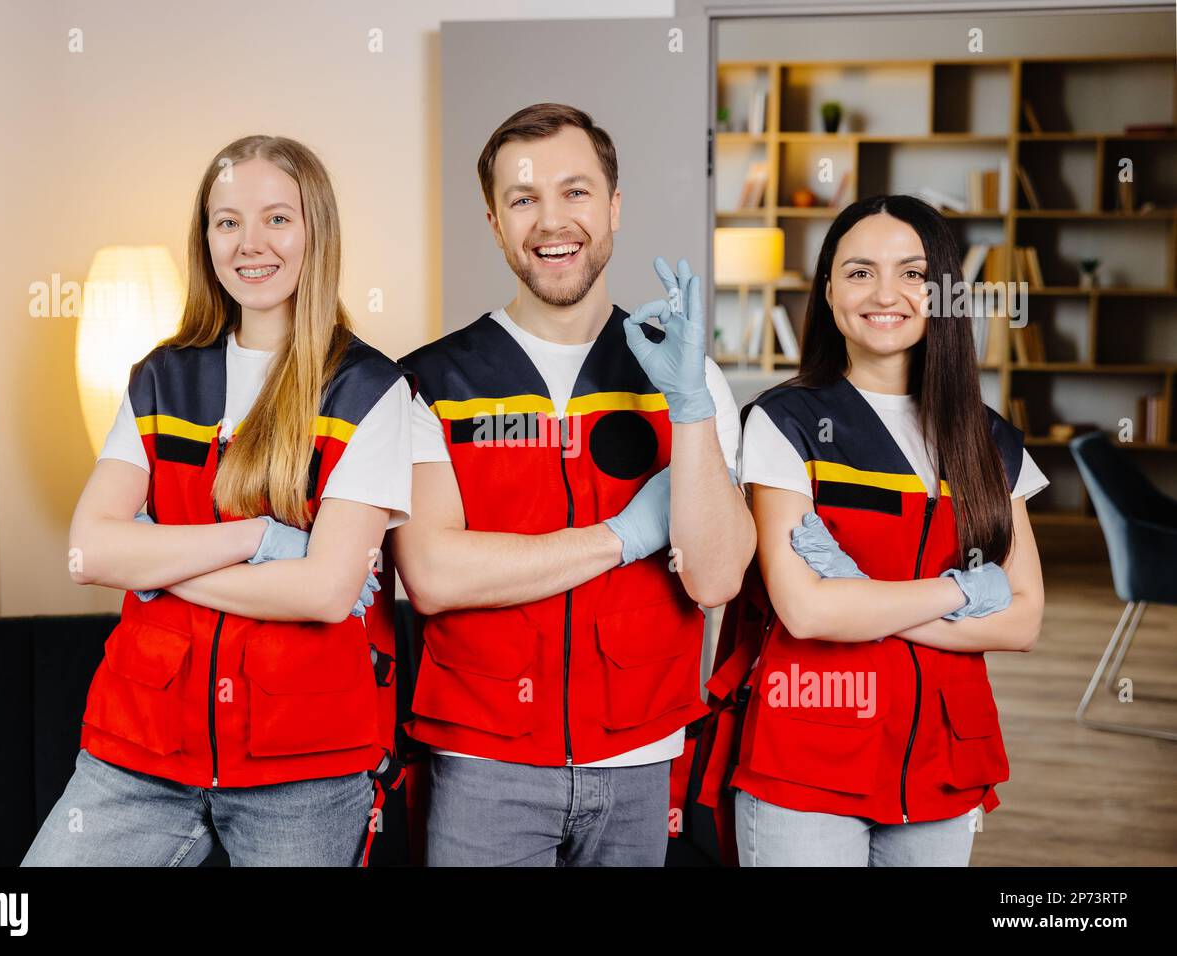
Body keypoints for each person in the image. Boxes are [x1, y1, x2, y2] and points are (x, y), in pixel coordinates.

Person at [23, 135, 414, 867]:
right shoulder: (160, 378)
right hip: (138, 751)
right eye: (227, 221)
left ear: (315, 231)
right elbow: (89, 552)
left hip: (302, 769)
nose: (249, 243)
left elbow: (328, 592)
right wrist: (260, 538)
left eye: (277, 218)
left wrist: (151, 557)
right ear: (205, 238)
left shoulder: (371, 391)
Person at [393, 103, 754, 867]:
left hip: (640, 758)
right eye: (523, 199)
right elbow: (432, 574)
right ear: (494, 222)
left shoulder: (689, 379)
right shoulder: (431, 382)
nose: (551, 221)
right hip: (483, 764)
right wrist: (623, 539)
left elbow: (717, 577)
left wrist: (690, 409)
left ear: (614, 207)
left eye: (575, 191)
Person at [719, 193, 1047, 866]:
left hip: (941, 761)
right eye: (860, 271)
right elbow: (806, 611)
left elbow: (1022, 620)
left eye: (912, 272)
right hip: (808, 759)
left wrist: (860, 594)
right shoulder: (785, 423)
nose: (885, 293)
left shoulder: (988, 439)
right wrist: (964, 592)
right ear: (830, 290)